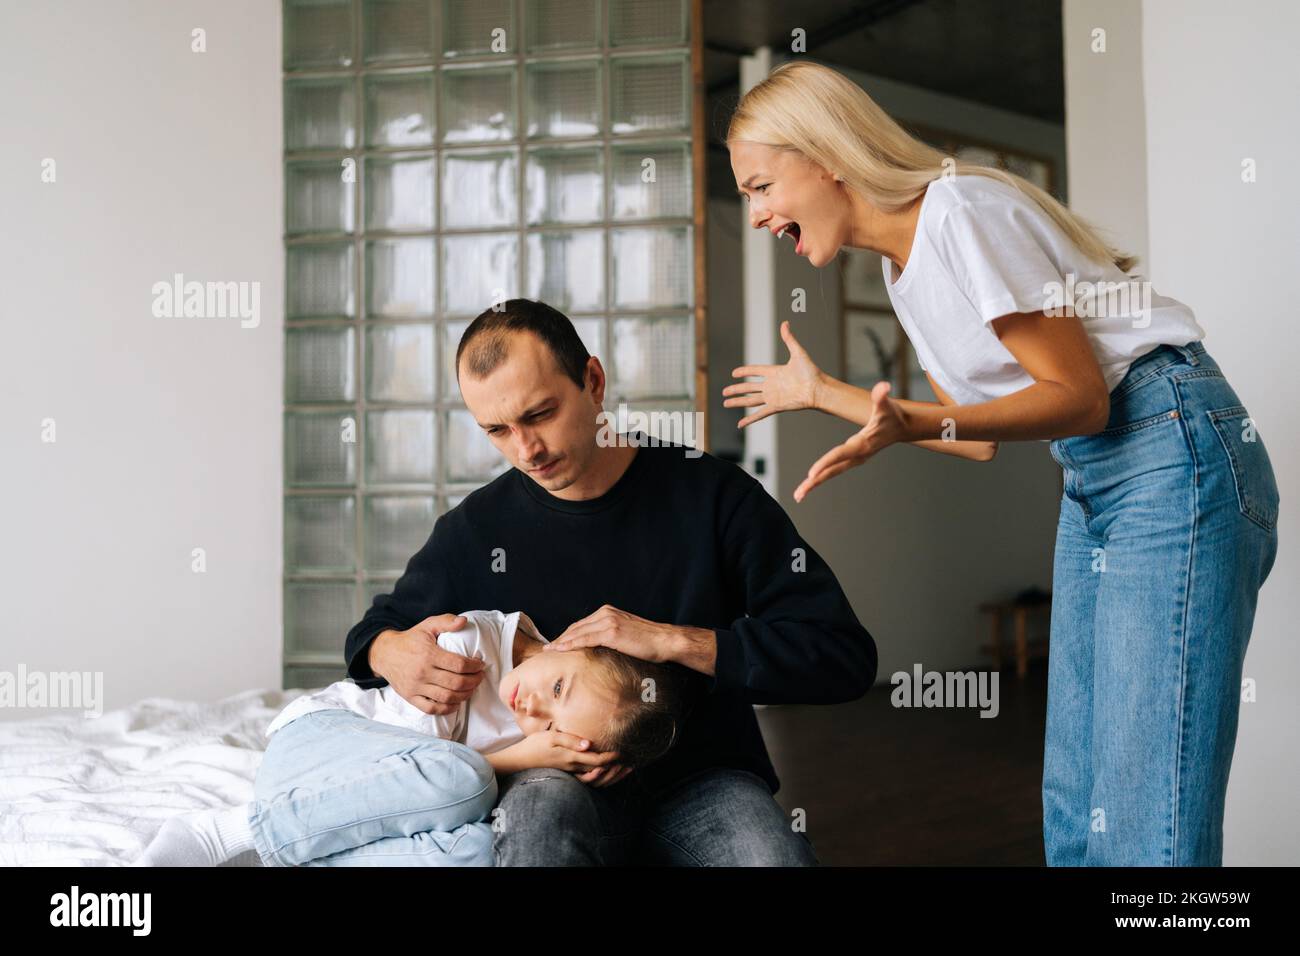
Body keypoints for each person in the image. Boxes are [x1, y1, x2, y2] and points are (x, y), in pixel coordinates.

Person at [723, 60, 1278, 866]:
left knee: (1144, 808)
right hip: (1096, 470)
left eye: (759, 186)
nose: (756, 213)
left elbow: (1081, 393)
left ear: (824, 156)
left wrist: (907, 416)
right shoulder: (901, 268)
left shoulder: (959, 212)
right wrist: (832, 395)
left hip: (1171, 449)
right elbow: (977, 433)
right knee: (1079, 799)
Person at [350, 298, 877, 866]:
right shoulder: (475, 530)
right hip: (551, 782)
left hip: (703, 779)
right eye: (497, 430)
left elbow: (842, 657)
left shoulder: (715, 497)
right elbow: (373, 634)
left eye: (540, 414)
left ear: (593, 381)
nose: (526, 450)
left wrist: (678, 642)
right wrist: (391, 652)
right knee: (536, 828)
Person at [132, 610, 690, 866]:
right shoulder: (468, 647)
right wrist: (524, 755)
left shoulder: (538, 726)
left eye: (551, 731)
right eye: (560, 686)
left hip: (342, 809)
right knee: (466, 782)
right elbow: (413, 773)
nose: (534, 707)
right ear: (573, 642)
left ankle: (289, 859)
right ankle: (221, 833)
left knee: (479, 851)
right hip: (318, 750)